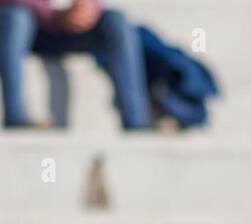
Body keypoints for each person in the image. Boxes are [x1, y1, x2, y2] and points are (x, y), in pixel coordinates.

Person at [0, 0, 149, 129]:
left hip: (71, 25)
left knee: (117, 21)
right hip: (32, 26)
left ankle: (136, 120)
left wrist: (88, 8)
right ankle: (15, 115)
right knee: (15, 17)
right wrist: (53, 15)